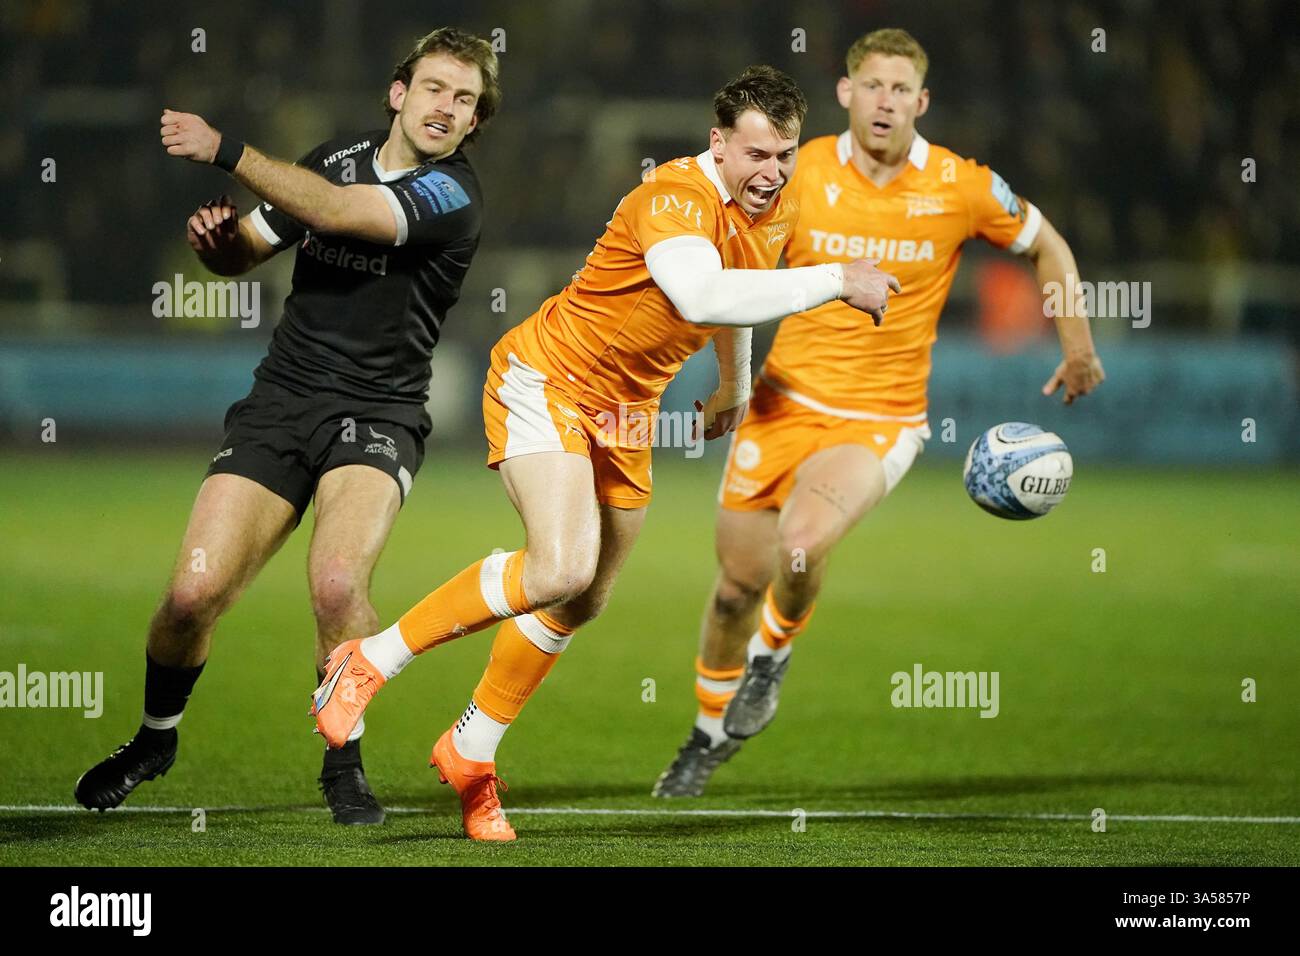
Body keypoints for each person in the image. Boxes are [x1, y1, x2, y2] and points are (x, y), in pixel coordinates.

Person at [307, 65, 901, 841]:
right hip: (549, 379)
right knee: (559, 567)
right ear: (719, 143)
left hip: (627, 412)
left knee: (583, 597)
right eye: (757, 154)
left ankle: (471, 749)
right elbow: (701, 294)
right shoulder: (672, 197)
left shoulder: (773, 206)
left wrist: (734, 384)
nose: (773, 171)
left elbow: (738, 290)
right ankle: (369, 661)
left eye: (785, 154)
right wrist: (836, 279)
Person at [652, 28, 1105, 797]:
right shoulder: (799, 171)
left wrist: (1078, 342)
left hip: (878, 418)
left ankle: (772, 656)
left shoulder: (960, 184)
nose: (884, 101)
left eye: (900, 89)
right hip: (780, 406)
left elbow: (1048, 244)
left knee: (801, 545)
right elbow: (738, 278)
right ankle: (705, 736)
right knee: (734, 589)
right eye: (872, 85)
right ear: (846, 92)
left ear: (921, 102)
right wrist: (733, 384)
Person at [74, 27, 500, 825]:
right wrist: (218, 244)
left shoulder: (453, 194)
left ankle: (344, 764)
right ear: (399, 93)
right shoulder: (334, 157)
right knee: (191, 595)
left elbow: (335, 212)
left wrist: (225, 149)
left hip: (378, 411)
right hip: (282, 399)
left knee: (338, 583)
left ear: (475, 121)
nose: (447, 107)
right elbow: (247, 252)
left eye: (465, 99)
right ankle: (155, 739)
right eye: (435, 88)